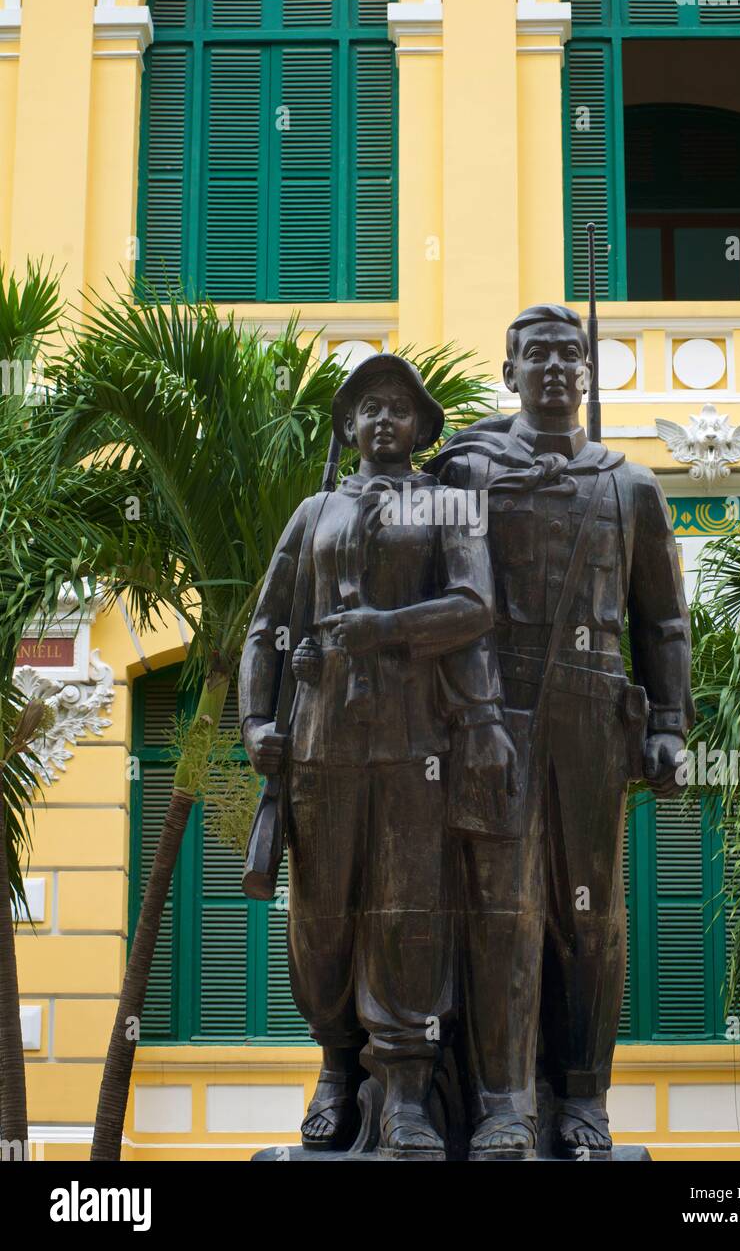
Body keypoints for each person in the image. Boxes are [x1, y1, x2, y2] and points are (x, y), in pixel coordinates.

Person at [429, 304, 694, 1158]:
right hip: (490, 708)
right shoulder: (463, 472)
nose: (553, 366)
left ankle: (582, 1096)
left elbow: (663, 622)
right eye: (535, 354)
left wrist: (669, 724)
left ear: (586, 374)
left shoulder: (630, 485)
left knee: (591, 915)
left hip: (591, 712)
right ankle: (503, 1103)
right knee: (500, 911)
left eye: (568, 354)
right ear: (508, 374)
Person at [239, 354, 515, 1161]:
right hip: (320, 744)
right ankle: (333, 1067)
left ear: (422, 427)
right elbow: (268, 625)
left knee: (407, 919)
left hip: (414, 742)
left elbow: (475, 605)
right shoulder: (313, 511)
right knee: (320, 923)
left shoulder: (448, 505)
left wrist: (385, 630)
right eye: (368, 409)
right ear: (350, 428)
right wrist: (257, 722)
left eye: (399, 408)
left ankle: (403, 1097)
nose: (383, 420)